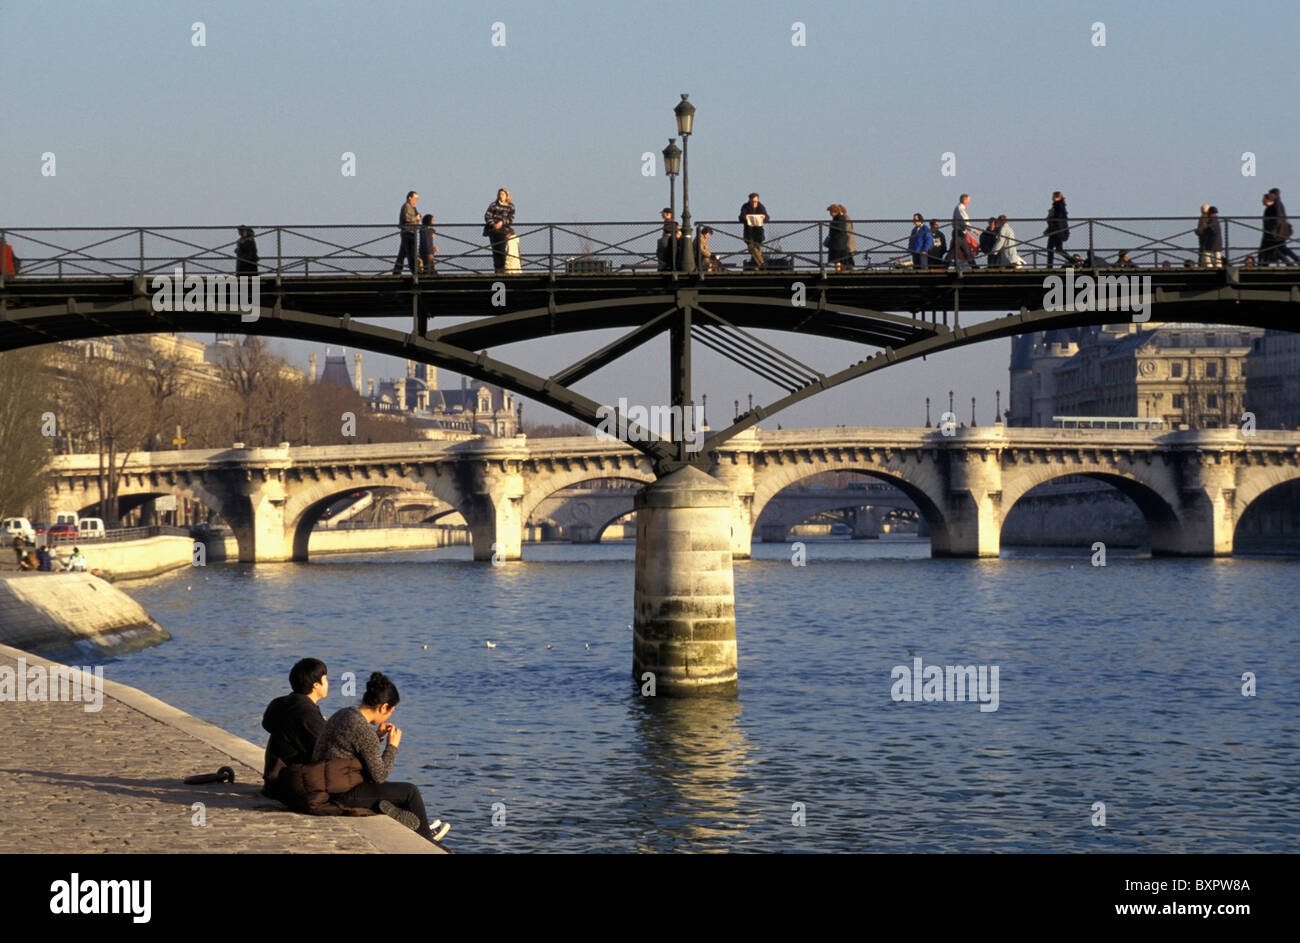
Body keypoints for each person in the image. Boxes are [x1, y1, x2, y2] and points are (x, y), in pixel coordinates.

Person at [313, 671, 449, 843]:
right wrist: (392, 747)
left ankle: (396, 815)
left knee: (390, 795)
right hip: (342, 793)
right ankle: (428, 840)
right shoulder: (363, 731)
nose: (390, 715)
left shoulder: (345, 713)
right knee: (410, 792)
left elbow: (356, 750)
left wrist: (378, 736)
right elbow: (379, 775)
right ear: (383, 707)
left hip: (326, 783)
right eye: (391, 711)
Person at [262, 657, 329, 795]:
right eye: (326, 679)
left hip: (275, 777)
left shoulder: (280, 703)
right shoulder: (305, 712)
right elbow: (326, 749)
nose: (328, 684)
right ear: (316, 685)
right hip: (291, 783)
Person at [1261, 189, 1299, 265]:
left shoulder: (1276, 205)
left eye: (1270, 195)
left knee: (1274, 248)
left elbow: (1278, 219)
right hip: (1277, 232)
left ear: (1273, 195)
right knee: (1280, 248)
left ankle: (1291, 262)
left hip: (1276, 232)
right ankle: (1292, 261)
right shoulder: (1277, 204)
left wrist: (1273, 230)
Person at [483, 188, 516, 274]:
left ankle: (501, 268)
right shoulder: (493, 205)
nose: (500, 195)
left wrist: (501, 223)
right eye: (499, 194)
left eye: (502, 194)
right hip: (493, 230)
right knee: (495, 250)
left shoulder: (510, 206)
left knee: (501, 249)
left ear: (506, 196)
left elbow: (511, 218)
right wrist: (493, 224)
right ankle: (497, 269)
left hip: (503, 230)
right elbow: (487, 216)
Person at [738, 193, 768, 270]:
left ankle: (756, 267)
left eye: (756, 201)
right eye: (753, 201)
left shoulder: (760, 206)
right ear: (750, 200)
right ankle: (762, 263)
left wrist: (764, 217)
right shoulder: (745, 206)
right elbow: (741, 217)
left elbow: (767, 217)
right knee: (751, 247)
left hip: (759, 232)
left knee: (758, 249)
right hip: (749, 232)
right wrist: (745, 217)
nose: (755, 203)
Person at [392, 191, 419, 275]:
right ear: (409, 198)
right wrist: (416, 218)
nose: (416, 201)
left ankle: (397, 271)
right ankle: (414, 271)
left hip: (410, 232)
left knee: (403, 253)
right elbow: (407, 218)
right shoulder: (406, 206)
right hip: (408, 233)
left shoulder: (412, 207)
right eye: (415, 198)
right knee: (411, 253)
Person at [1044, 192, 1069, 268]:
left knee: (1057, 249)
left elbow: (1057, 219)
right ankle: (1049, 266)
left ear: (1056, 197)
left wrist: (1051, 226)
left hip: (1057, 231)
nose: (1052, 198)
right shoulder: (1059, 205)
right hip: (1055, 230)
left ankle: (1074, 261)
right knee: (1052, 248)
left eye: (1053, 196)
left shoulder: (1058, 205)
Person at [950, 194, 973, 270]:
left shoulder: (959, 208)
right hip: (959, 233)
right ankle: (944, 264)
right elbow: (965, 221)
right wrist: (973, 229)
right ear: (965, 200)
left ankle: (975, 266)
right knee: (954, 251)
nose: (969, 202)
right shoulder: (960, 209)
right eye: (968, 200)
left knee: (966, 251)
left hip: (960, 233)